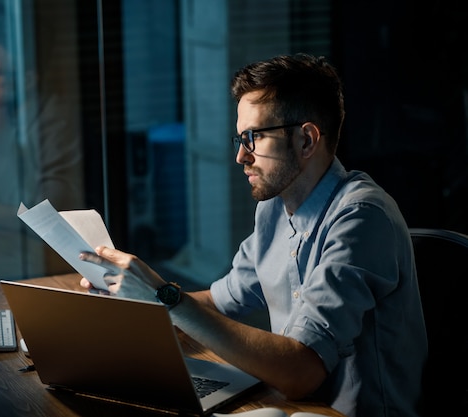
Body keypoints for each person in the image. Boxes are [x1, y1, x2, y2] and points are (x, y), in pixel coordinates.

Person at [79, 53, 427, 417]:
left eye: (254, 138)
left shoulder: (361, 217)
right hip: (292, 408)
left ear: (306, 140)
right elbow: (219, 301)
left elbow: (301, 371)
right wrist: (139, 307)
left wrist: (165, 297)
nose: (241, 157)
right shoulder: (274, 209)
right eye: (240, 138)